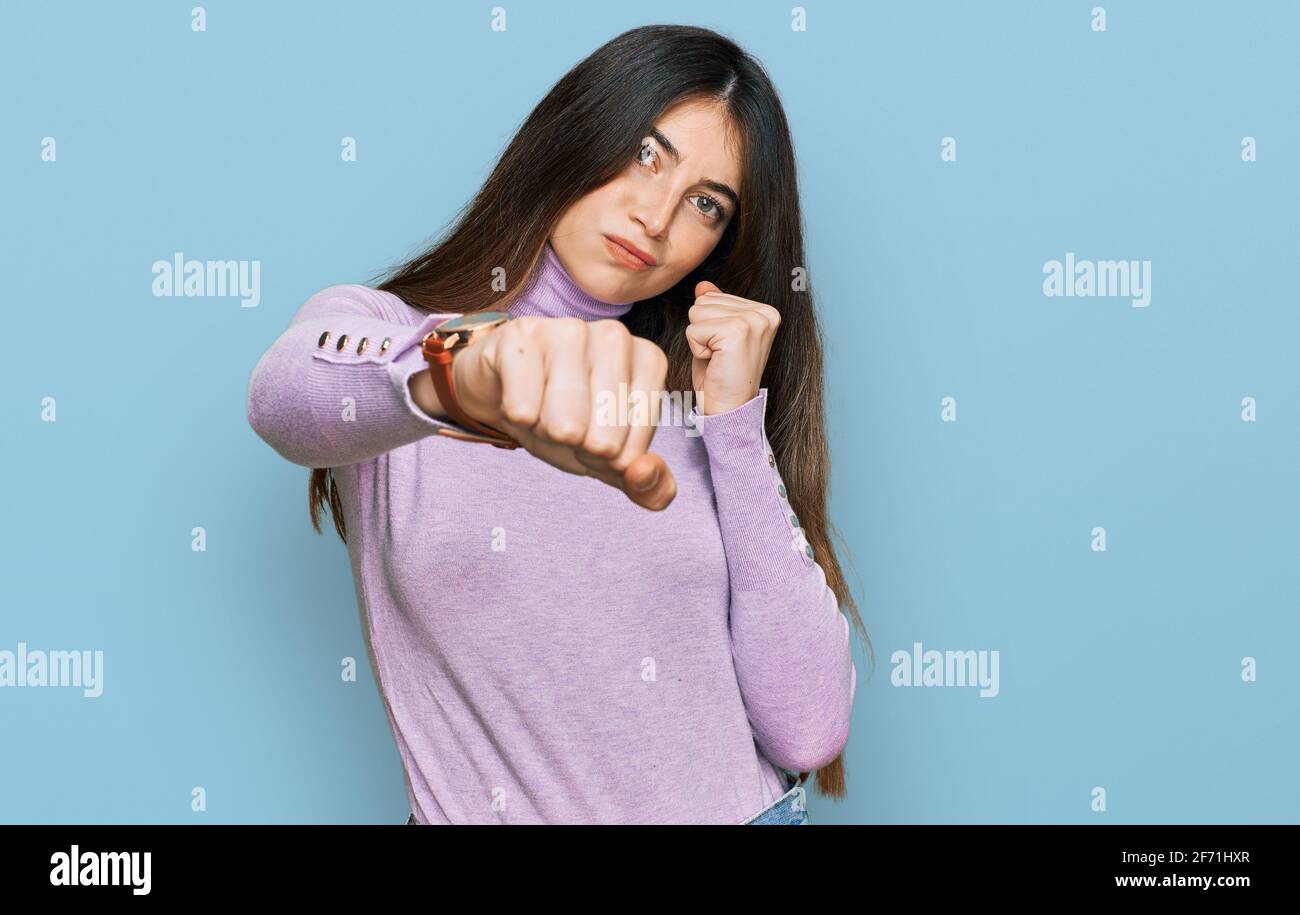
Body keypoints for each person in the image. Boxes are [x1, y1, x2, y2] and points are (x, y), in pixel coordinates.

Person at [246, 23, 869, 825]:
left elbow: (809, 727)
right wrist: (462, 376)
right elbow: (284, 394)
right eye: (647, 154)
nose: (655, 216)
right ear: (580, 130)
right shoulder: (392, 338)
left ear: (720, 246)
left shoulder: (699, 402)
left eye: (706, 204)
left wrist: (737, 423)